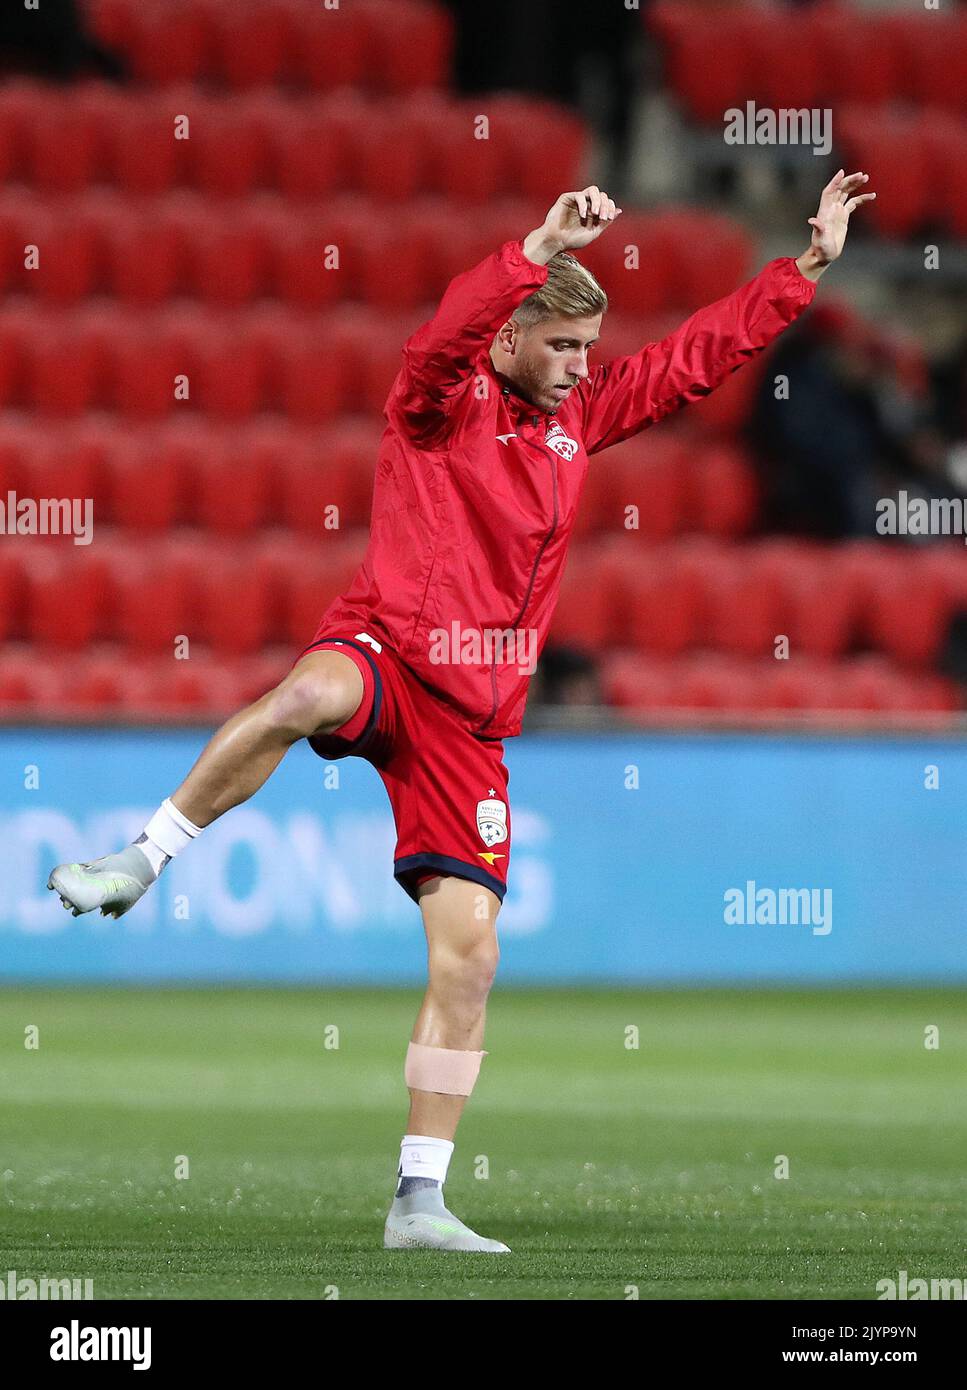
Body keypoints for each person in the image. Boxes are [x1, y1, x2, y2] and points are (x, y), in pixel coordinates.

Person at [48, 175, 875, 1252]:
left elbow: (686, 364)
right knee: (305, 693)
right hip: (388, 649)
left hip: (471, 723)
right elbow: (441, 339)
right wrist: (531, 245)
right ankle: (144, 857)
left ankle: (419, 1199)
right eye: (566, 345)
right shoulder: (440, 404)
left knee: (470, 959)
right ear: (515, 335)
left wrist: (800, 271)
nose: (585, 368)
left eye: (589, 349)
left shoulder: (577, 417)